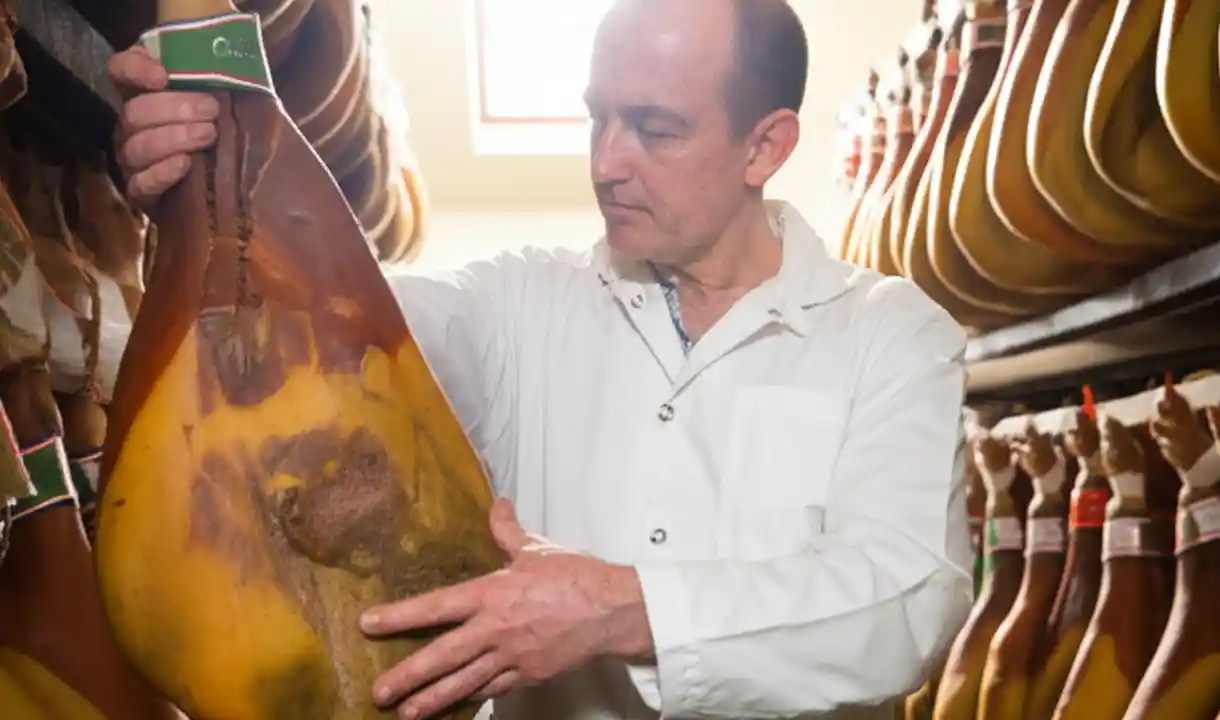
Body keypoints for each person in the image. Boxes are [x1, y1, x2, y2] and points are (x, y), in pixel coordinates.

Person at [106, 0, 973, 717]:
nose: (606, 163)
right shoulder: (519, 307)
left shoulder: (890, 334)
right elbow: (313, 319)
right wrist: (199, 174)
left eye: (655, 130)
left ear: (766, 147)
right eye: (599, 116)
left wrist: (617, 613)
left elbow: (906, 598)